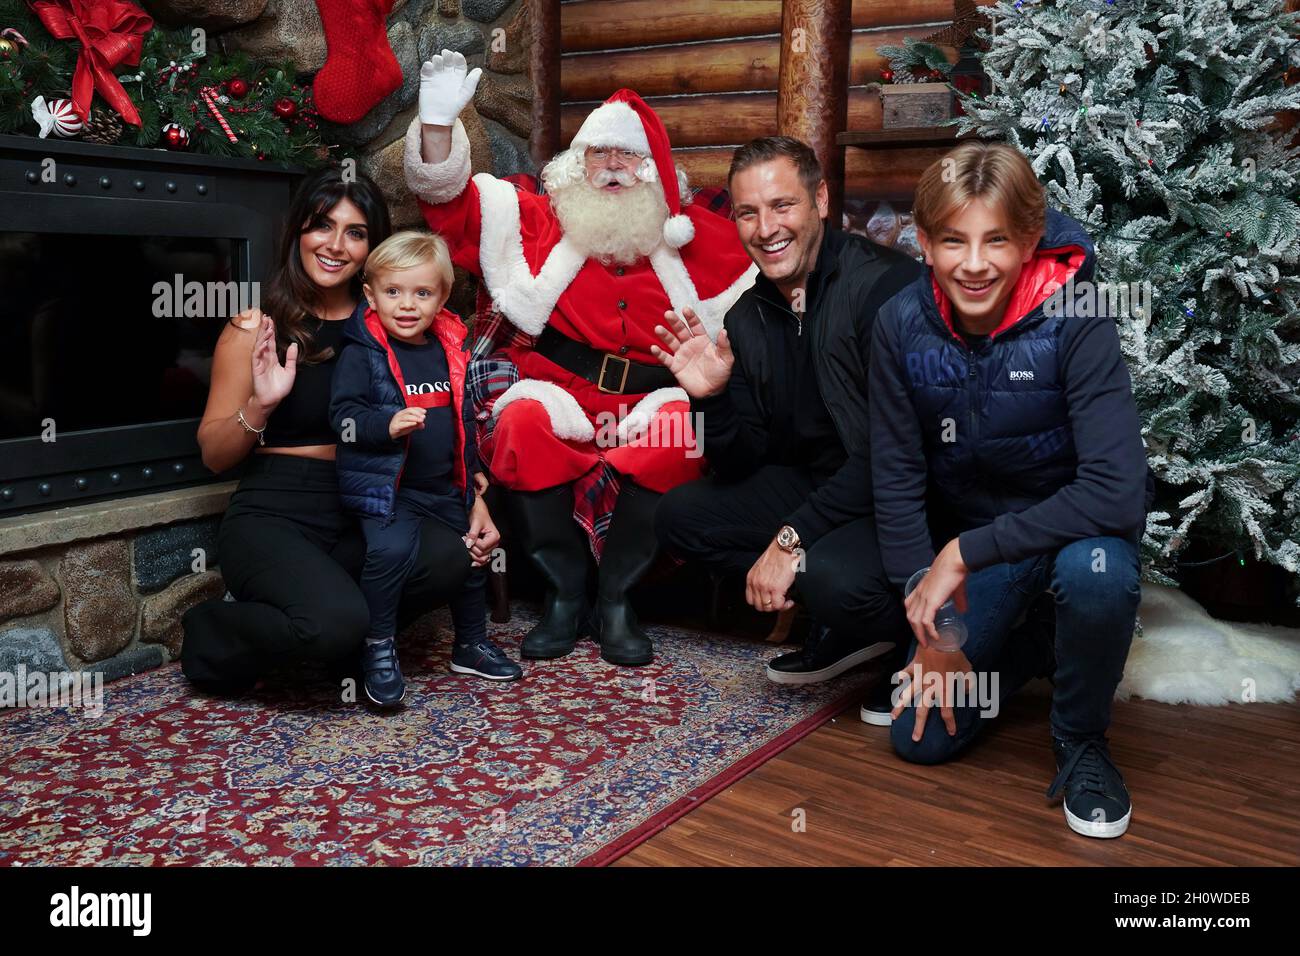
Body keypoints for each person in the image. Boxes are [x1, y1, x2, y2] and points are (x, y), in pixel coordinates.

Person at [402, 51, 756, 666]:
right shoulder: (539, 218)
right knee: (519, 422)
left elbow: (775, 259)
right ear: (577, 164)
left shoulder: (699, 236)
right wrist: (436, 127)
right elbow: (453, 208)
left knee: (682, 434)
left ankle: (617, 597)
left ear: (654, 170)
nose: (612, 169)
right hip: (560, 386)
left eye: (627, 157)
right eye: (599, 155)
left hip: (652, 393)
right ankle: (567, 593)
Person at [869, 141, 1149, 838]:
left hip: (1070, 530)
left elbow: (1117, 492)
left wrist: (963, 551)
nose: (973, 263)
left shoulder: (1078, 314)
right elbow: (897, 478)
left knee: (1098, 576)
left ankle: (1082, 739)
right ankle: (1038, 649)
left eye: (996, 239)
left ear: (1028, 240)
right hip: (986, 548)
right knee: (918, 741)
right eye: (952, 240)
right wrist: (930, 622)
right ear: (924, 242)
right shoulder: (899, 323)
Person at [180, 168, 482, 694]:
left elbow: (449, 422)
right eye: (322, 225)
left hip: (366, 507)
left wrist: (476, 497)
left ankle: (351, 638)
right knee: (333, 624)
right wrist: (261, 403)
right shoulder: (255, 328)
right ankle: (213, 631)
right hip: (277, 510)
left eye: (356, 232)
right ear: (298, 230)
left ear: (372, 249)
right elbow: (214, 457)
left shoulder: (397, 322)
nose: (336, 245)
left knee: (452, 555)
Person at [652, 136, 921, 698]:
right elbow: (737, 461)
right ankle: (845, 621)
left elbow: (894, 449)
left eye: (782, 205)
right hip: (818, 487)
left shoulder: (885, 288)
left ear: (821, 201)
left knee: (826, 574)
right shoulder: (749, 316)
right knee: (680, 516)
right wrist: (711, 397)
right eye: (748, 212)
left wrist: (791, 540)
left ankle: (908, 637)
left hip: (897, 495)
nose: (765, 227)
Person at [329, 231, 517, 707]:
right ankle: (378, 647)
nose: (407, 305)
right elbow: (343, 417)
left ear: (441, 298)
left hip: (444, 485)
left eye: (422, 293)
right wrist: (385, 424)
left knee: (474, 556)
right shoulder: (362, 352)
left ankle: (469, 643)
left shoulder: (449, 347)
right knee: (389, 556)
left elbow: (462, 416)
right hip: (390, 492)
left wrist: (473, 471)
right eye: (393, 292)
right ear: (370, 295)